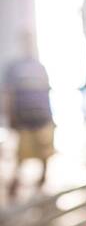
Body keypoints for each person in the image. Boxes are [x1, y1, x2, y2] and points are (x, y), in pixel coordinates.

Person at [3, 32, 54, 200]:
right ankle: (14, 183)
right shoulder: (14, 68)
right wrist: (11, 115)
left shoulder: (40, 67)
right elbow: (9, 93)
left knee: (44, 151)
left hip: (42, 116)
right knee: (22, 153)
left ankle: (43, 181)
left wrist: (51, 117)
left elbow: (46, 92)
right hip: (24, 118)